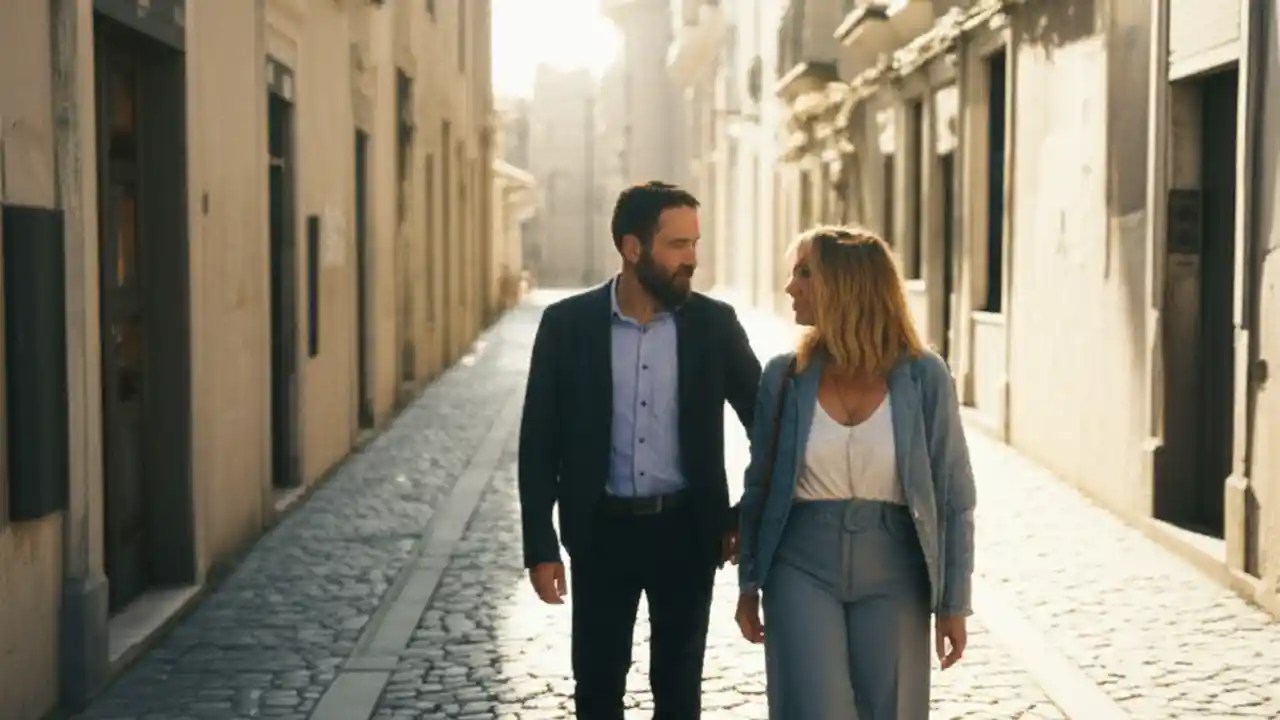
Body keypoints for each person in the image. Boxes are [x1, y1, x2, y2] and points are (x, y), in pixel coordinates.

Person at [518, 181, 762, 719]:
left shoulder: (713, 326)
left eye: (694, 244)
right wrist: (539, 544)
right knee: (598, 690)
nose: (691, 259)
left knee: (679, 693)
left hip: (687, 534)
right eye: (677, 245)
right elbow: (538, 443)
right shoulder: (567, 326)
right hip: (601, 532)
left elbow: (767, 424)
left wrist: (745, 514)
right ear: (633, 249)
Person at [734, 226, 976, 719]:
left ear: (846, 284)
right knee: (812, 709)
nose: (791, 286)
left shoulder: (923, 376)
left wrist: (954, 602)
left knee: (892, 709)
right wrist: (749, 582)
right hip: (800, 564)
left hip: (897, 570)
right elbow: (759, 485)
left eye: (805, 273)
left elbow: (954, 496)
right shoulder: (784, 376)